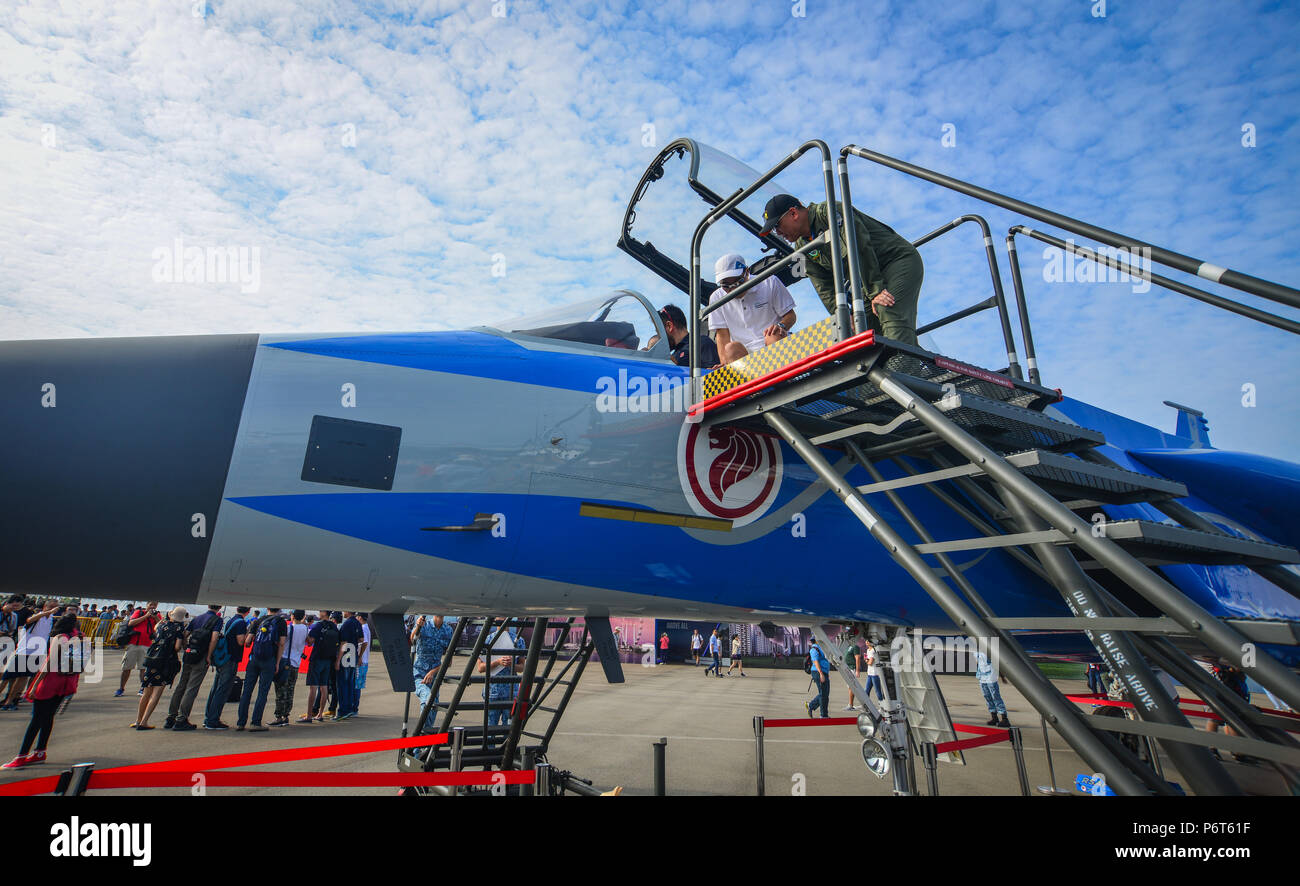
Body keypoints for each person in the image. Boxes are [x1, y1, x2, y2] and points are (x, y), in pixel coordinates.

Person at [760, 193, 924, 346]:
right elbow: (823, 286)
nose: (779, 233)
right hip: (866, 280)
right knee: (861, 328)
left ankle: (902, 367)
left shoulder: (830, 213)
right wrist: (844, 315)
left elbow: (859, 246)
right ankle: (921, 369)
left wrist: (875, 291)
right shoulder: (802, 247)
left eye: (778, 226)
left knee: (887, 308)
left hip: (895, 261)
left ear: (793, 213)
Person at [2, 615, 85, 769]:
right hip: (67, 681)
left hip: (51, 681)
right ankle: (40, 752)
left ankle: (21, 756)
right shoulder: (80, 636)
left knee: (36, 720)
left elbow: (49, 663)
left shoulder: (60, 637)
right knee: (48, 718)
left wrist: (34, 686)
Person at [708, 253, 797, 364]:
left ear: (747, 272)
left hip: (774, 343)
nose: (733, 289)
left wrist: (781, 326)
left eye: (738, 282)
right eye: (726, 286)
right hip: (744, 352)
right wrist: (723, 364)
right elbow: (722, 336)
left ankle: (783, 377)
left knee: (773, 335)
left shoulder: (769, 282)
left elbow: (790, 316)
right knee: (731, 349)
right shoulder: (716, 298)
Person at [164, 604, 223, 731]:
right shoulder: (217, 620)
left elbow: (185, 634)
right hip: (201, 656)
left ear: (208, 606)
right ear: (220, 607)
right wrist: (209, 655)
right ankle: (182, 719)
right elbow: (214, 639)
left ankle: (171, 717)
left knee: (181, 685)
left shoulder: (197, 618)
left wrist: (186, 647)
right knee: (192, 687)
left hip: (190, 654)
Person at [133, 607, 187, 730]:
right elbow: (177, 647)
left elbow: (155, 629)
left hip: (151, 659)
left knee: (146, 691)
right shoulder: (179, 628)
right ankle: (144, 722)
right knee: (156, 693)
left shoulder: (161, 624)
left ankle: (138, 720)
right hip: (165, 661)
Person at [237, 607, 288, 732]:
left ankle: (241, 722)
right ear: (279, 609)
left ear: (267, 608)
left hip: (254, 658)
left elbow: (248, 641)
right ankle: (255, 722)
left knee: (247, 691)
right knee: (262, 692)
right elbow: (282, 643)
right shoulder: (281, 622)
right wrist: (277, 662)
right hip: (269, 659)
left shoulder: (258, 620)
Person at [203, 606, 248, 730]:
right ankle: (213, 720)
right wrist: (248, 633)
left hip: (223, 658)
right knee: (223, 689)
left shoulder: (231, 620)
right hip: (231, 658)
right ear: (248, 611)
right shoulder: (241, 623)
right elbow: (240, 641)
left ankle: (208, 717)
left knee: (216, 688)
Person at [476, 624, 524, 731]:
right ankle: (490, 748)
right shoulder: (488, 639)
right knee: (489, 729)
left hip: (511, 692)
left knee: (510, 730)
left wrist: (511, 665)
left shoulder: (518, 640)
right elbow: (480, 668)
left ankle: (507, 748)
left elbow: (522, 667)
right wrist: (497, 662)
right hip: (493, 691)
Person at [271, 610, 308, 727]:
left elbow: (281, 643)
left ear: (292, 616)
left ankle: (279, 716)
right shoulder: (305, 629)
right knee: (290, 689)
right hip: (296, 663)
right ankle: (286, 715)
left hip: (285, 661)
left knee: (281, 690)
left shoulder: (288, 628)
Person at [410, 614, 454, 712]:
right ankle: (423, 727)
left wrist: (433, 672)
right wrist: (418, 626)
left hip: (435, 678)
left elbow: (449, 662)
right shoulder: (424, 625)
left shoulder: (448, 630)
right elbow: (412, 640)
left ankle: (425, 728)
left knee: (433, 707)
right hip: (419, 674)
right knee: (427, 698)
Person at [302, 610, 340, 722]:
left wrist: (306, 630)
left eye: (321, 611)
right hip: (328, 660)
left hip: (317, 659)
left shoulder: (318, 626)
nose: (319, 612)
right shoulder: (333, 626)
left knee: (313, 687)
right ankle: (320, 714)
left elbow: (310, 642)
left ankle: (309, 715)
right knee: (324, 687)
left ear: (324, 613)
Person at [116, 602, 159, 698]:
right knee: (126, 667)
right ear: (147, 604)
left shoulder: (157, 614)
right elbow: (131, 622)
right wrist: (146, 616)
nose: (152, 606)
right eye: (151, 604)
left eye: (155, 605)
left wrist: (155, 617)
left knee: (143, 668)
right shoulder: (139, 612)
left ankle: (142, 688)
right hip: (133, 644)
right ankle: (121, 688)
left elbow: (160, 625)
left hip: (147, 645)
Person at [658, 304, 720, 368]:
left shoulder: (701, 343)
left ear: (669, 326)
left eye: (659, 331)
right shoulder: (673, 356)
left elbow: (715, 374)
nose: (659, 337)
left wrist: (678, 368)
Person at [334, 611, 364, 721]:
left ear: (347, 612)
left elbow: (344, 643)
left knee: (342, 685)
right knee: (350, 684)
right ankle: (350, 708)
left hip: (346, 656)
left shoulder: (346, 624)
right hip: (353, 655)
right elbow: (361, 639)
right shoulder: (357, 623)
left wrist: (338, 660)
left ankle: (343, 711)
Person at [976, 649, 1009, 727]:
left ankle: (1004, 718)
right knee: (987, 697)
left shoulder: (990, 649)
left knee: (996, 697)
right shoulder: (976, 651)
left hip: (991, 677)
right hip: (982, 677)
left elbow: (997, 664)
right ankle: (994, 717)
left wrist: (1002, 677)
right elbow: (978, 663)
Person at [805, 638, 832, 718]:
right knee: (824, 694)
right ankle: (823, 715)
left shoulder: (820, 648)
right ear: (816, 640)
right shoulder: (814, 649)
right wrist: (821, 673)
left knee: (824, 693)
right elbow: (816, 662)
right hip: (818, 672)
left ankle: (811, 705)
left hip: (823, 672)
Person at [842, 634, 862, 711]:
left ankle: (850, 705)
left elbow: (857, 659)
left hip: (852, 669)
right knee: (850, 687)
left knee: (852, 687)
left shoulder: (855, 647)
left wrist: (857, 670)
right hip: (848, 669)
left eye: (849, 638)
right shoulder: (848, 647)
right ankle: (850, 704)